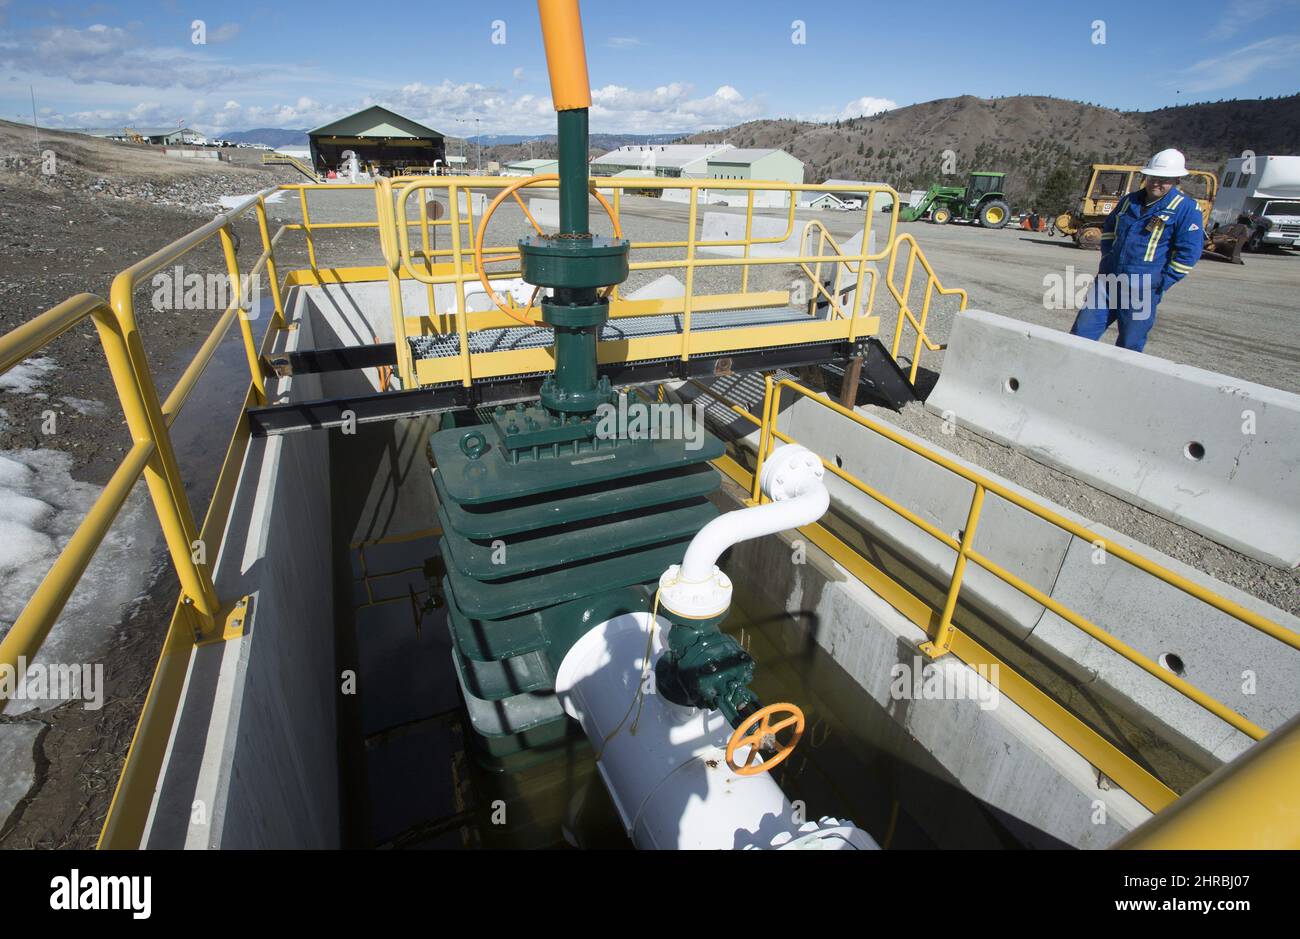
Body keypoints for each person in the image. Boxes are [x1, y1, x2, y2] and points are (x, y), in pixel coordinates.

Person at [1070, 149, 1203, 353]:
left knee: (1129, 345)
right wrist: (1107, 256)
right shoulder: (1128, 201)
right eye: (1153, 177)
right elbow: (1109, 231)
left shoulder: (1185, 209)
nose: (1157, 183)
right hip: (1108, 282)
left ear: (1176, 180)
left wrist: (1161, 283)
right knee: (1081, 334)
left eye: (1164, 179)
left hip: (1142, 289)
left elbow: (1189, 253)